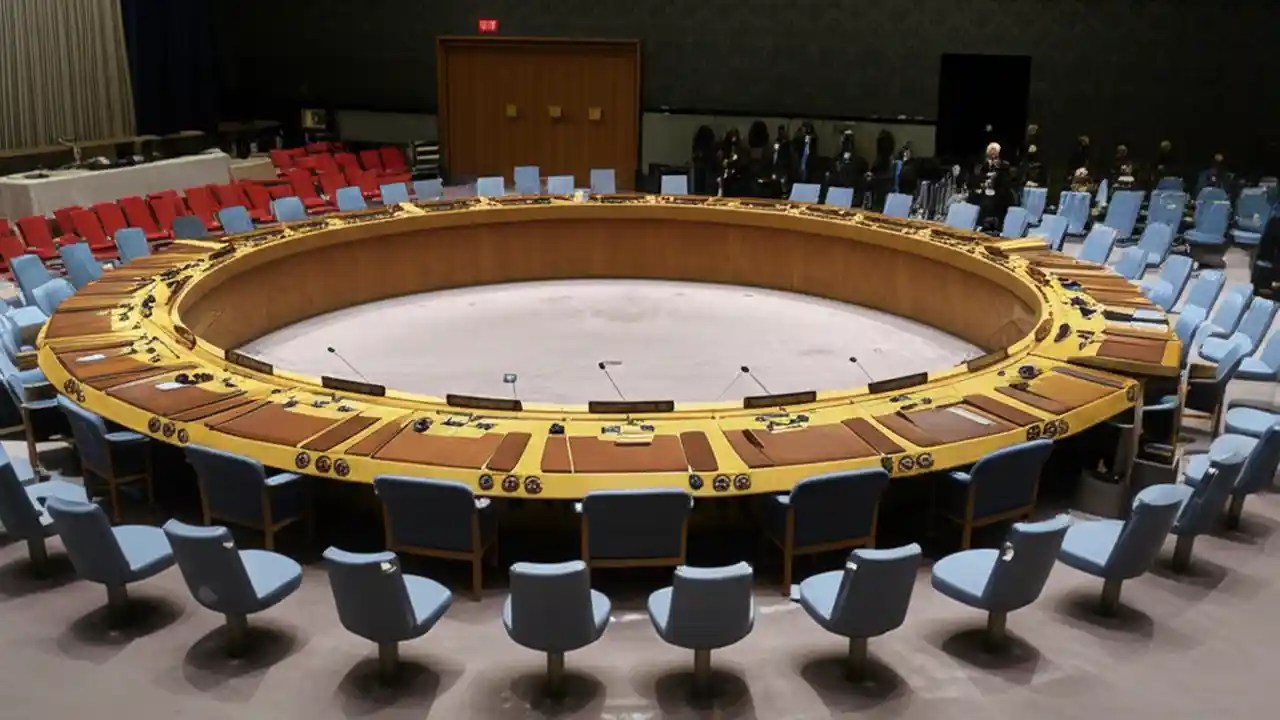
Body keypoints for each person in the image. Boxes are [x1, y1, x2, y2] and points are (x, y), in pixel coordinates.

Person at [970, 142, 1013, 230]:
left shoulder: (1005, 166)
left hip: (1000, 194)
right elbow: (976, 181)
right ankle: (976, 225)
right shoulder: (983, 166)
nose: (992, 160)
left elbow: (1006, 184)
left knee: (988, 203)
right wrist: (982, 185)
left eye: (995, 157)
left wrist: (995, 179)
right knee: (972, 197)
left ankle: (992, 227)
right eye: (990, 157)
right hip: (984, 193)